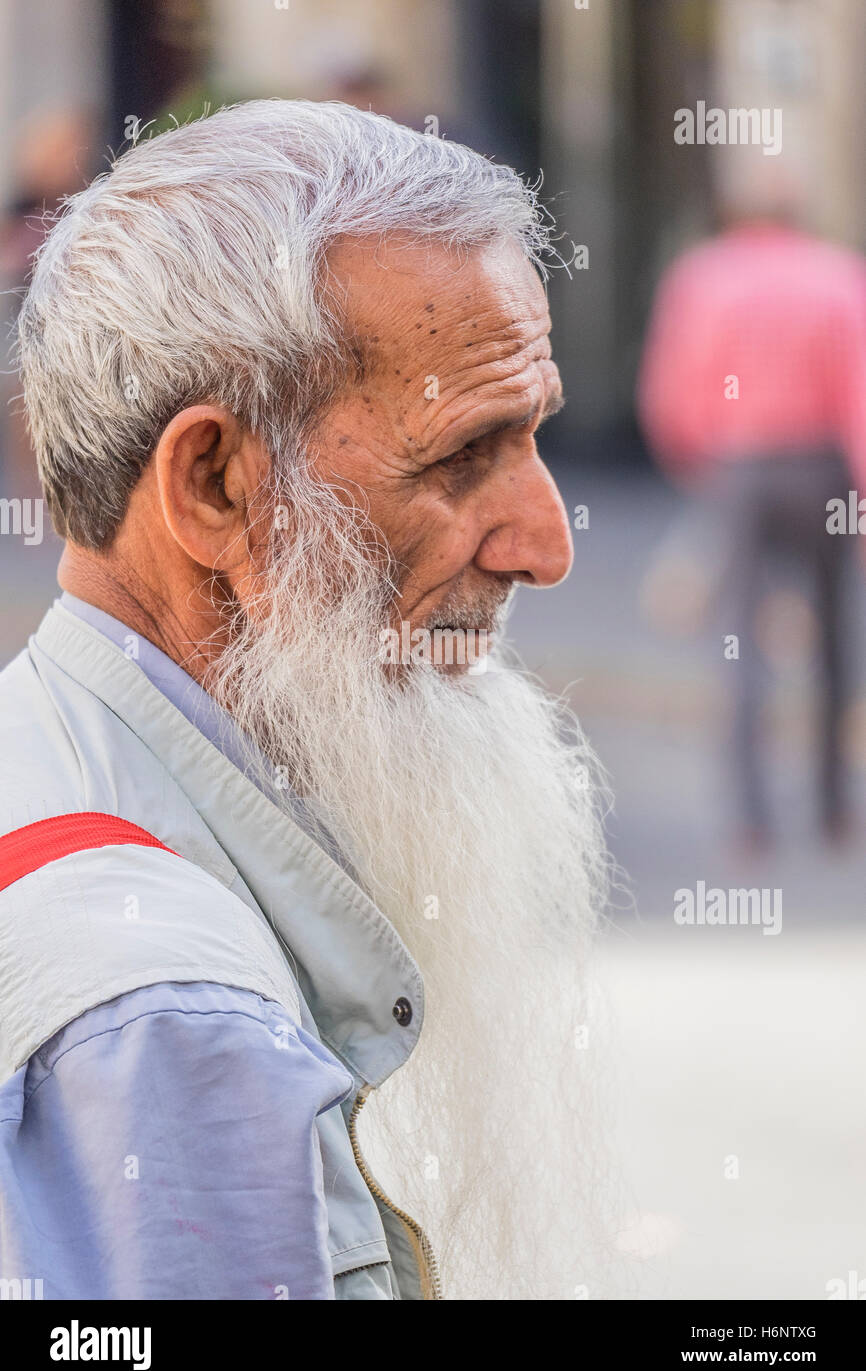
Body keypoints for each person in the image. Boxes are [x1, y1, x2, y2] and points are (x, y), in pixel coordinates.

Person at [0, 100, 610, 1301]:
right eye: (457, 456)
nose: (545, 545)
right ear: (217, 485)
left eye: (532, 437)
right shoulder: (169, 1021)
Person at [637, 210, 866, 847]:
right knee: (836, 640)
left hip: (740, 468)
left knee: (737, 643)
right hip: (822, 468)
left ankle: (748, 820)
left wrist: (700, 465)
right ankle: (833, 809)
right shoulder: (838, 273)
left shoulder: (704, 275)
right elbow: (859, 392)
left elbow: (672, 387)